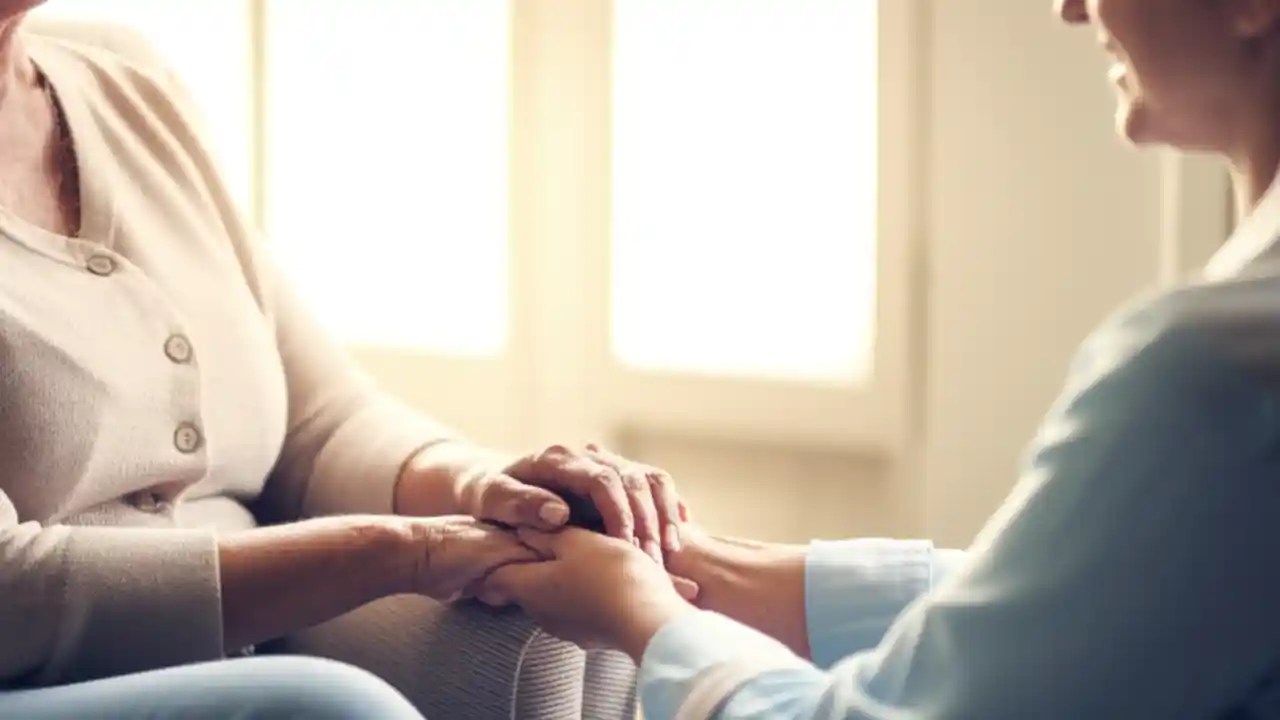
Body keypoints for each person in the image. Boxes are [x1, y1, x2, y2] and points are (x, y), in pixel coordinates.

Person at [483, 1, 1280, 717]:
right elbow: (1094, 601)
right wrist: (697, 564)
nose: (1071, 8)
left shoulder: (1209, 377)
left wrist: (642, 613)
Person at [0, 2, 693, 717]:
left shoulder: (129, 85)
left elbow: (321, 426)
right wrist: (400, 553)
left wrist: (487, 490)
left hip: (253, 648)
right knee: (333, 709)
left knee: (562, 606)